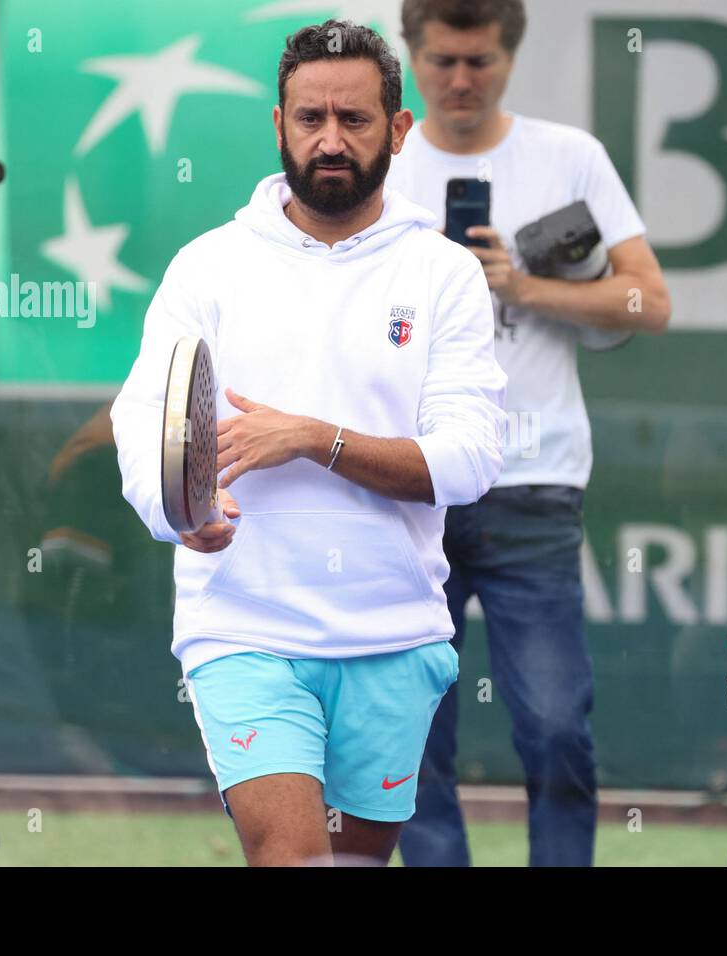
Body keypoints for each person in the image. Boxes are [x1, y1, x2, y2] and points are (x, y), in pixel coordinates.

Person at [110, 19, 506, 866]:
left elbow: (470, 460)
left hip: (393, 635)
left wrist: (315, 439)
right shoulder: (207, 267)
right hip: (243, 629)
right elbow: (143, 423)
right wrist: (180, 512)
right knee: (293, 858)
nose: (330, 139)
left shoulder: (444, 274)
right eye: (309, 118)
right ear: (279, 125)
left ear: (399, 130)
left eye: (355, 120)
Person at [386, 0, 671, 867]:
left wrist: (520, 286)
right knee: (408, 735)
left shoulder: (566, 156)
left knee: (553, 727)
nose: (461, 80)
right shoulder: (377, 162)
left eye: (479, 61)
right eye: (441, 62)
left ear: (510, 54)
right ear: (412, 55)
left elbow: (647, 302)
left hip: (533, 483)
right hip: (408, 485)